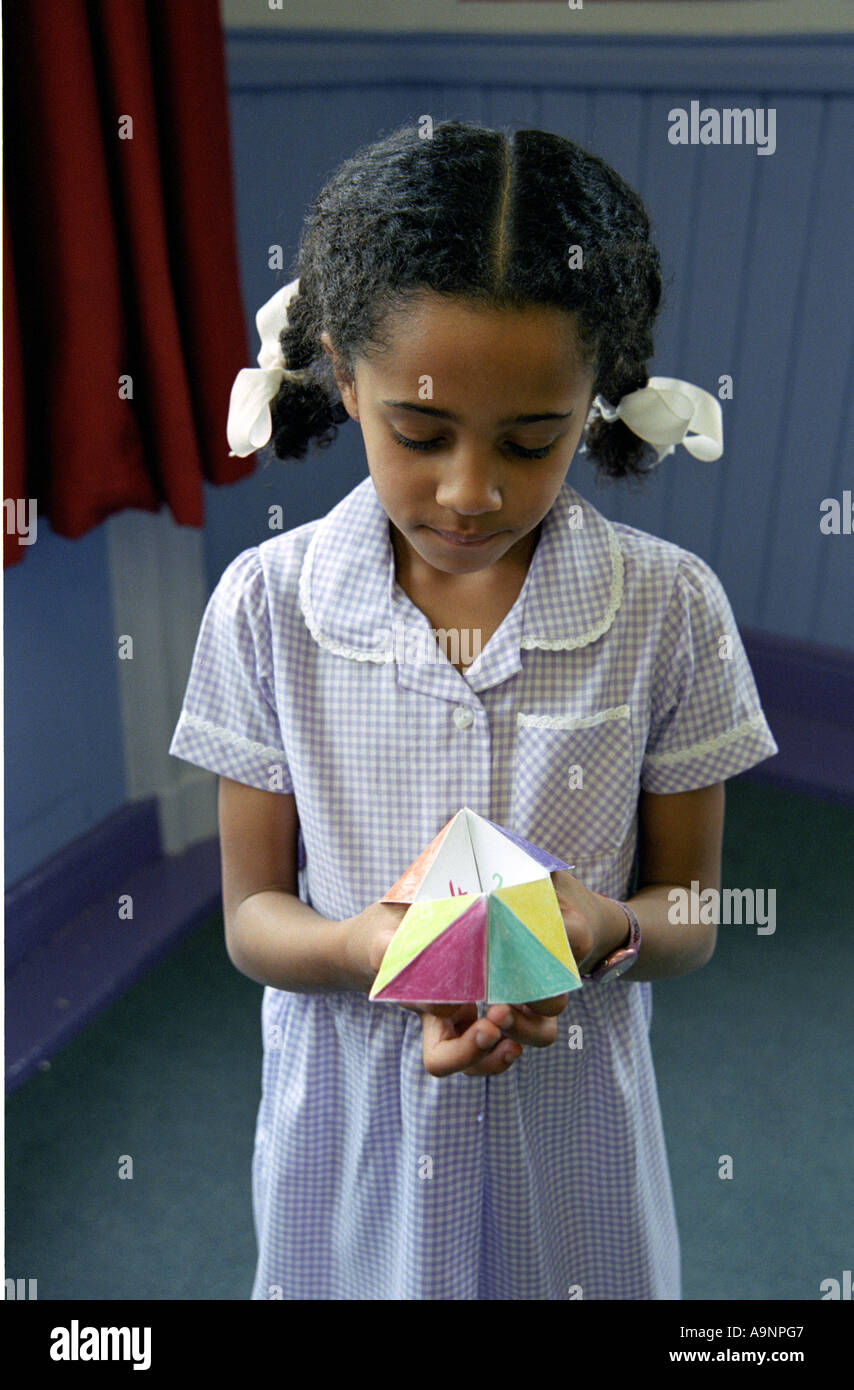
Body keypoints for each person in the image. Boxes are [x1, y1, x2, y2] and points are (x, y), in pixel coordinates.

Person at [169, 122, 778, 1300]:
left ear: (593, 402)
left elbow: (690, 910)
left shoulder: (667, 610)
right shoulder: (265, 609)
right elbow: (252, 917)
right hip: (347, 1124)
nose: (469, 490)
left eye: (530, 439)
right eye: (419, 432)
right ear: (342, 376)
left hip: (572, 1116)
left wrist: (596, 928)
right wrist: (359, 948)